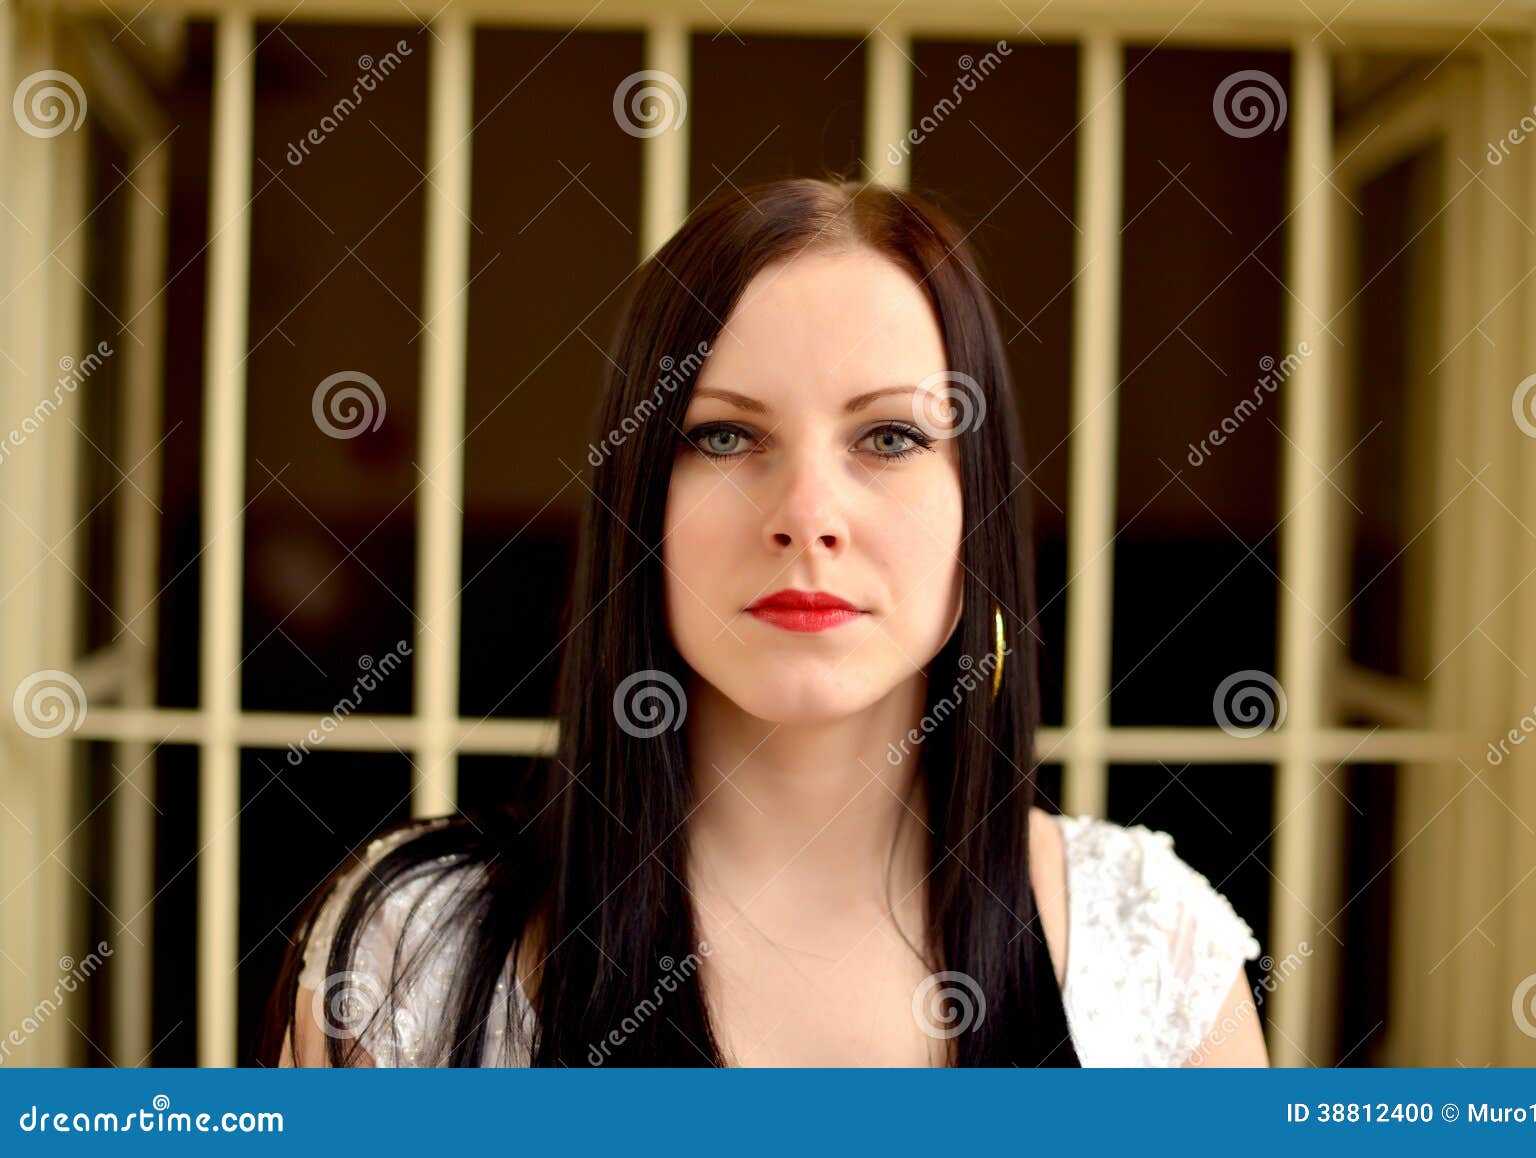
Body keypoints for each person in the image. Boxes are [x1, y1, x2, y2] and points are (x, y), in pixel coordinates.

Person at [266, 176, 1266, 1068]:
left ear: (981, 512)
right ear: (640, 502)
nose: (806, 516)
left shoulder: (1157, 956)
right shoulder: (414, 946)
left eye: (888, 436)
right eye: (726, 435)